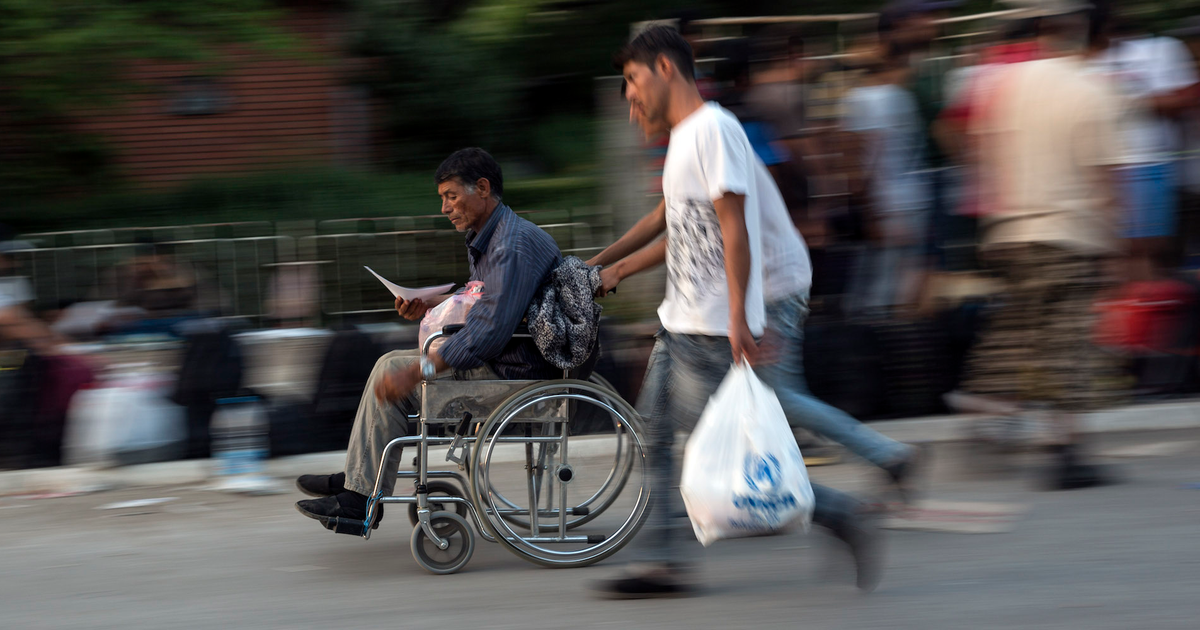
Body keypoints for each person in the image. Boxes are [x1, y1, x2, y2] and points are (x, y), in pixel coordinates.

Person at [590, 26, 886, 599]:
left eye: (632, 79)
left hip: (708, 330)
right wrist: (602, 264)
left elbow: (735, 227)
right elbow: (671, 221)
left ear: (665, 69)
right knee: (654, 435)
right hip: (679, 321)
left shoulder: (715, 129)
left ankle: (840, 512)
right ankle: (664, 562)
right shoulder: (682, 139)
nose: (629, 94)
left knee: (729, 452)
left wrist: (742, 320)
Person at [294, 148, 564, 534]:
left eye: (451, 196)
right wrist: (431, 303)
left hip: (516, 375)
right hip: (507, 361)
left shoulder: (510, 247)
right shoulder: (495, 236)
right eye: (443, 198)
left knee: (396, 370)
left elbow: (487, 333)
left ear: (483, 188)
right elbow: (484, 299)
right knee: (390, 362)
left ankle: (360, 493)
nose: (444, 207)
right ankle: (360, 481)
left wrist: (421, 370)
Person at [946, 3, 1126, 489]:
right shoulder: (1094, 87)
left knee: (1022, 333)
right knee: (1067, 341)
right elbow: (1106, 172)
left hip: (1011, 230)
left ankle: (984, 410)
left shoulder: (1004, 85)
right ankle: (1064, 449)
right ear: (1094, 38)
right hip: (1070, 231)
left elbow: (976, 149)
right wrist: (1116, 239)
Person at [1086, 2, 1199, 281]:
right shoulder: (1076, 64)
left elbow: (1185, 100)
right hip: (1096, 170)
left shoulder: (1160, 49)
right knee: (1110, 258)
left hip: (1147, 165)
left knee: (1149, 255)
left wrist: (1129, 102)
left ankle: (1152, 313)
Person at [842, 54, 932, 312]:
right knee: (892, 279)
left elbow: (863, 155)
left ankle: (873, 335)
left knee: (881, 278)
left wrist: (866, 203)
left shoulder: (867, 97)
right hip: (901, 200)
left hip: (890, 201)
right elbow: (871, 150)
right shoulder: (886, 97)